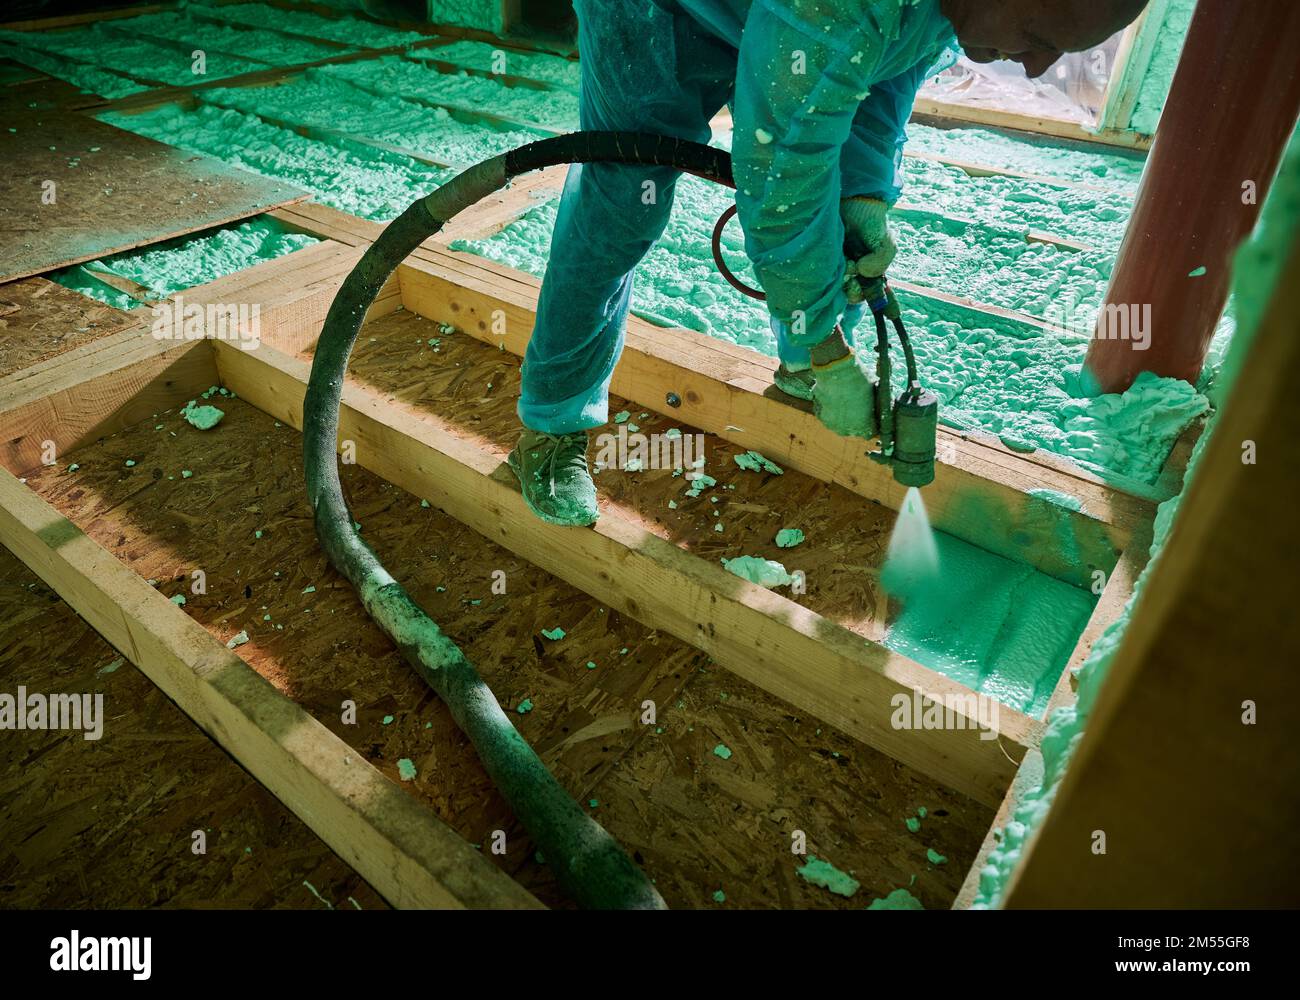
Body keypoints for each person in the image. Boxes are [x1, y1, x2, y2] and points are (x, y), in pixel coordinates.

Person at [508, 0, 1148, 526]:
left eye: (1062, 51)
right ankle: (551, 427)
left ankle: (803, 368)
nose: (1038, 69)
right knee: (624, 203)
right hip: (653, 16)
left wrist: (865, 194)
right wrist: (829, 348)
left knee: (831, 189)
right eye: (1038, 35)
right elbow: (782, 177)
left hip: (791, 23)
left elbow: (883, 71)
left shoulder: (950, 10)